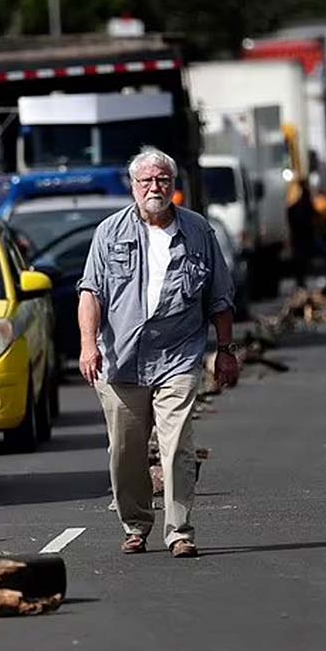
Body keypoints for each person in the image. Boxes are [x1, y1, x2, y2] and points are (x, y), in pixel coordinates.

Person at [77, 146, 237, 559]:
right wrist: (87, 345)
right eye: (146, 180)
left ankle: (180, 531)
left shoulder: (198, 232)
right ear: (133, 186)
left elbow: (220, 297)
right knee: (126, 451)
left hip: (179, 356)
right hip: (121, 358)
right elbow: (91, 293)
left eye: (162, 180)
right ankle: (135, 524)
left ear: (174, 185)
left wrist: (225, 350)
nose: (154, 187)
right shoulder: (109, 233)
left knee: (178, 443)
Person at [287, 176, 317, 288]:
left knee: (300, 259)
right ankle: (301, 280)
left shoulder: (300, 197)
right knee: (302, 258)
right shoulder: (304, 197)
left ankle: (300, 280)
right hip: (302, 234)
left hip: (299, 234)